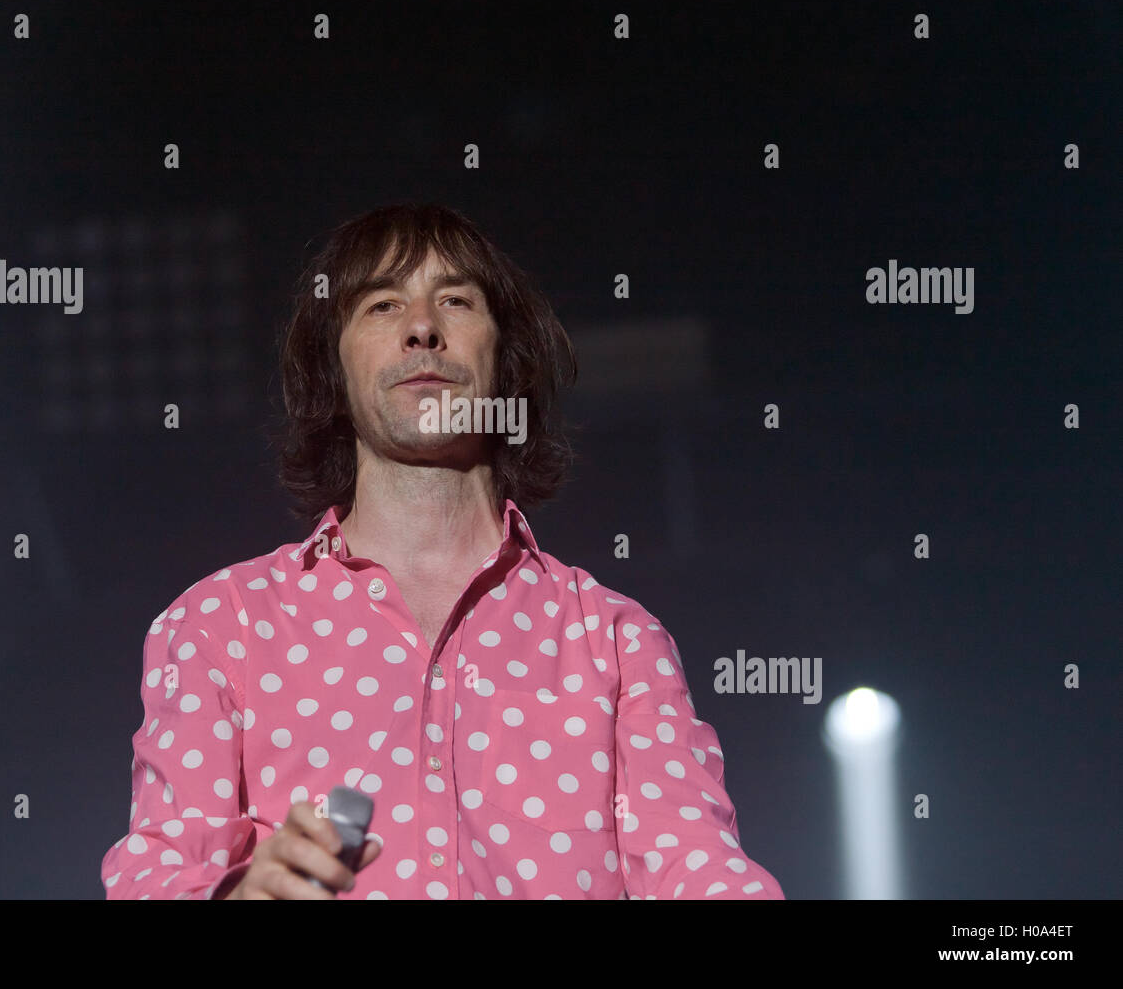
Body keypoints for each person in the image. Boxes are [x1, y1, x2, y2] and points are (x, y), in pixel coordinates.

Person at [100, 202, 785, 899]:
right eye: (381, 305)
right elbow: (153, 874)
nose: (421, 327)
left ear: (507, 363)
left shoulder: (616, 642)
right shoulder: (222, 625)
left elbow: (697, 868)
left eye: (455, 300)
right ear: (334, 371)